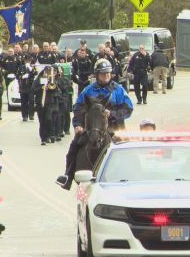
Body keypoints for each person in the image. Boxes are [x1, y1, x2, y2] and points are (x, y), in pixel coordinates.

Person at [56, 59, 134, 190]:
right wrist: (78, 125)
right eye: (103, 73)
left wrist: (113, 113)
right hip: (92, 128)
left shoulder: (118, 89)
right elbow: (78, 109)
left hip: (114, 127)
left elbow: (128, 109)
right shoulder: (88, 90)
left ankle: (133, 176)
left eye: (108, 73)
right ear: (97, 75)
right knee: (74, 146)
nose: (106, 76)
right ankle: (67, 176)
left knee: (128, 149)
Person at [32, 66, 60, 145]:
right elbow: (33, 90)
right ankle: (43, 138)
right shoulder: (38, 80)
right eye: (46, 72)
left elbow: (55, 89)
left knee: (49, 119)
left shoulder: (51, 80)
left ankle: (49, 135)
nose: (47, 74)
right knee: (42, 121)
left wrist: (51, 86)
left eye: (48, 72)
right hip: (40, 103)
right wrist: (41, 88)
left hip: (49, 103)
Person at [16, 55, 36, 121]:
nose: (28, 62)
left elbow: (36, 73)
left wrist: (31, 69)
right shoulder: (21, 67)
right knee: (23, 102)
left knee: (31, 101)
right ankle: (24, 116)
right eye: (26, 60)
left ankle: (31, 115)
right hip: (23, 87)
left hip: (30, 87)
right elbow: (17, 76)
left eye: (29, 61)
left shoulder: (33, 67)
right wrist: (22, 77)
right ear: (24, 61)